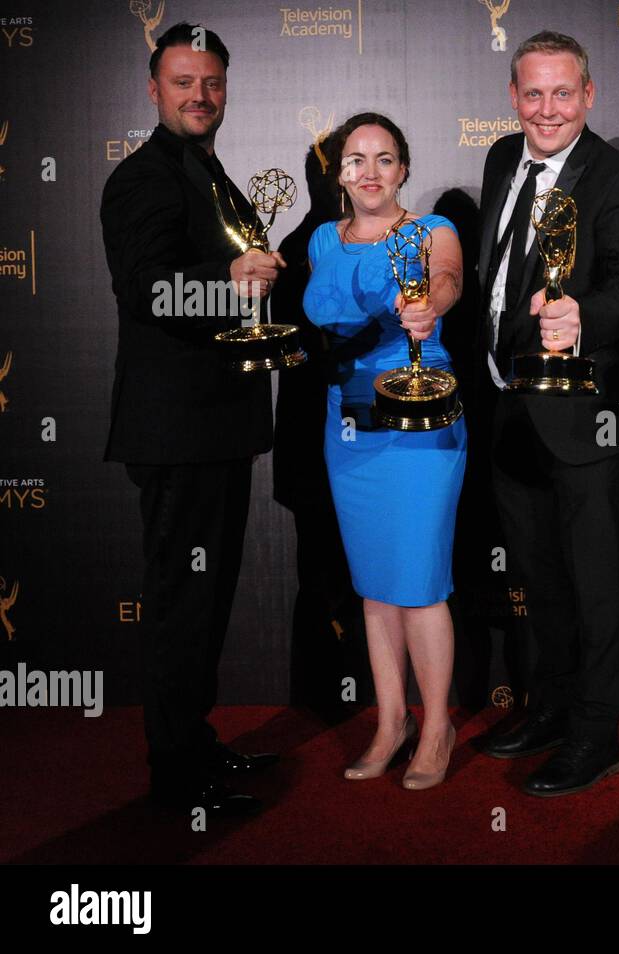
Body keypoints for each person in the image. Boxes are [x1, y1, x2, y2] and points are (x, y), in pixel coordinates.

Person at [101, 22, 282, 814]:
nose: (200, 96)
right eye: (183, 83)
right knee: (182, 603)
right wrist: (231, 278)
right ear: (153, 89)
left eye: (211, 83)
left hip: (216, 428)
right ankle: (176, 775)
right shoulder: (145, 178)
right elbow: (147, 290)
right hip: (179, 433)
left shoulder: (203, 170)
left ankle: (192, 741)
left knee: (203, 603)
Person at [474, 31, 619, 797]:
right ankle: (547, 709)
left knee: (595, 584)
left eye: (562, 93)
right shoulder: (498, 162)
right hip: (508, 407)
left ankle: (594, 735)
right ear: (513, 98)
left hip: (583, 413)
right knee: (539, 581)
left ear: (588, 95)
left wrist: (583, 316)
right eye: (533, 93)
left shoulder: (615, 177)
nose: (547, 109)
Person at [303, 113, 467, 790]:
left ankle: (436, 729)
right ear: (338, 173)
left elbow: (448, 278)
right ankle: (390, 721)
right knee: (374, 587)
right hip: (350, 426)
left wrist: (429, 302)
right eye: (355, 160)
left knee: (420, 582)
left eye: (385, 158)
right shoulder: (320, 239)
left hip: (423, 417)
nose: (370, 172)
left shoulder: (432, 231)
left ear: (405, 168)